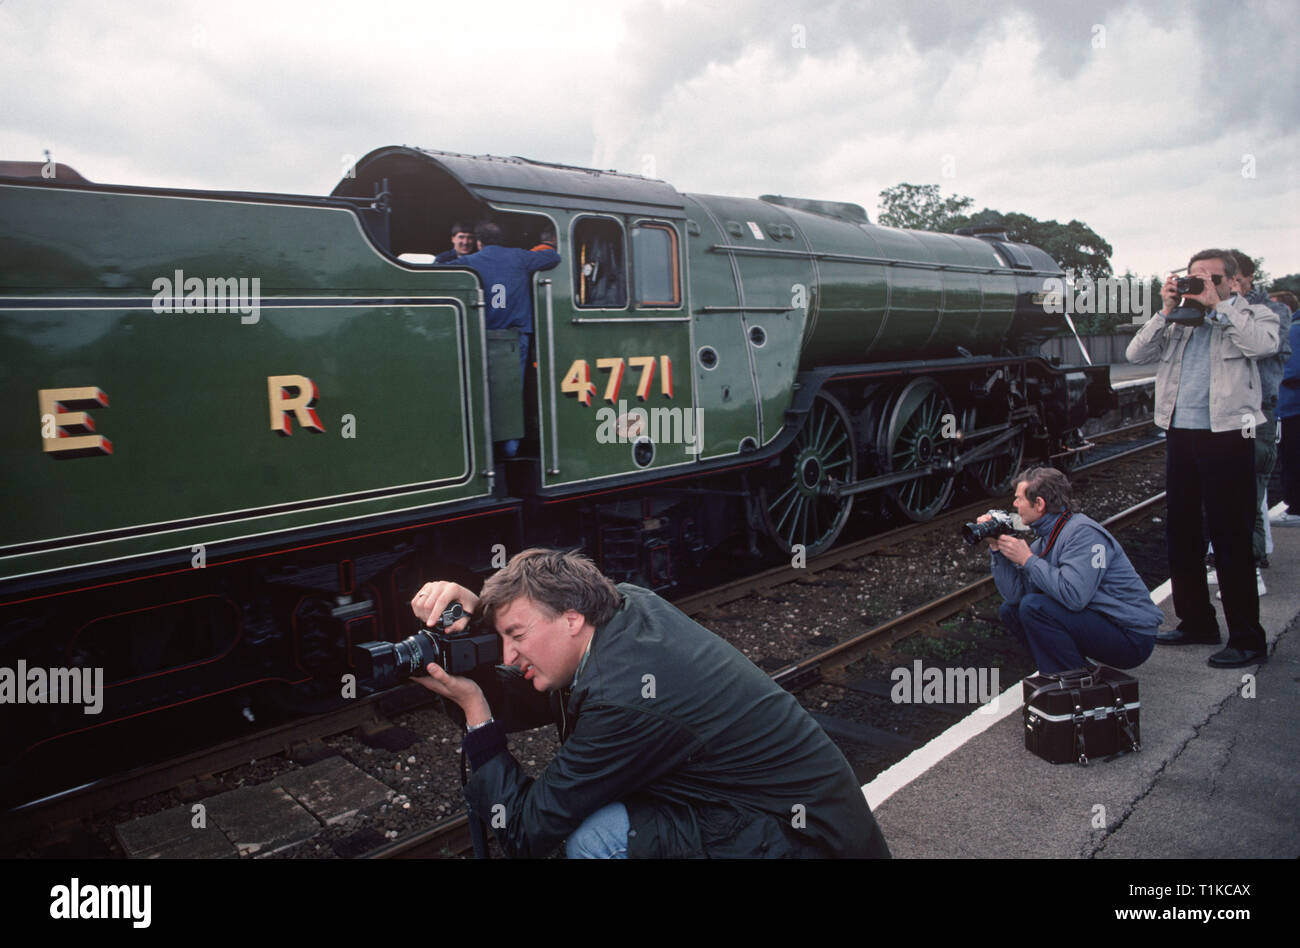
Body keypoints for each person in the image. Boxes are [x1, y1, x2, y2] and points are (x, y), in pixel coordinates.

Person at [408, 548, 891, 859]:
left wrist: (476, 713)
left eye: (515, 635)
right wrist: (475, 618)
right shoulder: (626, 606)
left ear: (572, 619)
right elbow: (534, 695)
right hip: (804, 821)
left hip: (808, 843)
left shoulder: (625, 703)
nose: (508, 656)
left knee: (597, 838)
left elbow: (526, 833)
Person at [1125, 248, 1279, 668]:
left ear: (1231, 282)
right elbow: (1135, 355)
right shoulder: (1179, 321)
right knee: (1183, 531)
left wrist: (1221, 307)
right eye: (1195, 276)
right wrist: (1165, 309)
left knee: (1230, 537)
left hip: (1228, 434)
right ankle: (1196, 621)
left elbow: (1262, 346)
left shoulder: (1255, 315)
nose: (1202, 284)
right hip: (1181, 432)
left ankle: (1248, 639)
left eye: (1211, 278)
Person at [988, 467, 1162, 675]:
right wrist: (996, 549)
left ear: (1039, 504)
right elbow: (1014, 596)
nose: (1014, 505)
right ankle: (1062, 675)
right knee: (1011, 610)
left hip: (1131, 636)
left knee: (1035, 607)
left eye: (1019, 499)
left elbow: (1075, 596)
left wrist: (1027, 560)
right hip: (1103, 622)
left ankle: (1075, 681)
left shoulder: (1083, 534)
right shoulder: (1048, 537)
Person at [445, 221, 560, 456]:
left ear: (479, 242)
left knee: (480, 390)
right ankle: (510, 448)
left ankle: (483, 448)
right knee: (512, 390)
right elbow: (553, 257)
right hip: (515, 337)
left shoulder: (468, 261)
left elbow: (439, 269)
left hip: (481, 335)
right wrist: (543, 246)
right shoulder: (519, 256)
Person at [1271, 292, 1300, 527]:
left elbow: (1292, 370)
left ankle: (1295, 507)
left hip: (1291, 408)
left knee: (1291, 457)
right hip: (1290, 407)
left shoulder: (1292, 331)